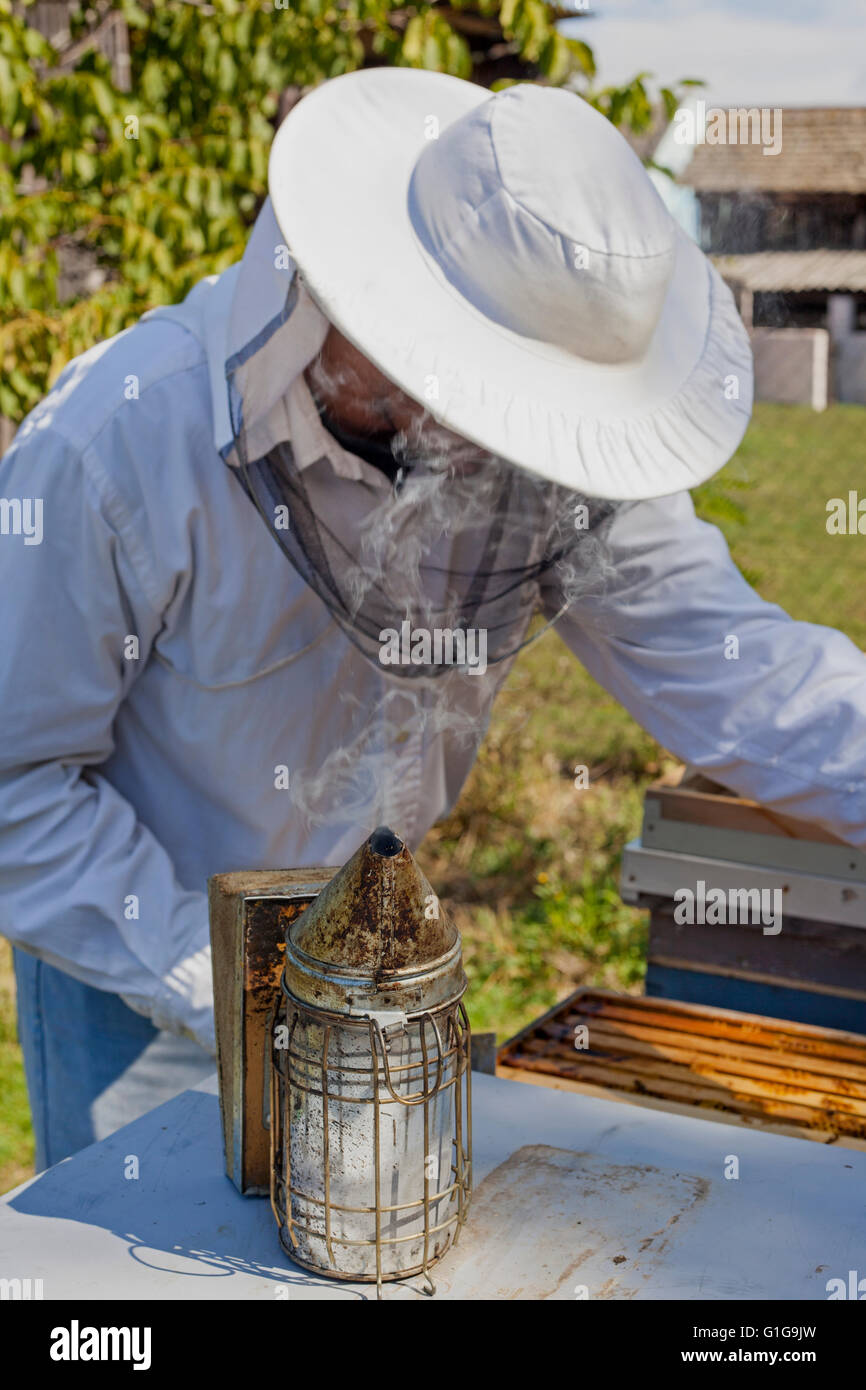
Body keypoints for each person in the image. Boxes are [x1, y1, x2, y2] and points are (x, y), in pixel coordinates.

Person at [2, 69, 865, 1172]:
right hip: (139, 975)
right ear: (380, 319)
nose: (521, 439)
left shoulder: (545, 462)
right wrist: (224, 988)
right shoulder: (115, 444)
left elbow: (746, 676)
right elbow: (13, 781)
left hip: (374, 941)